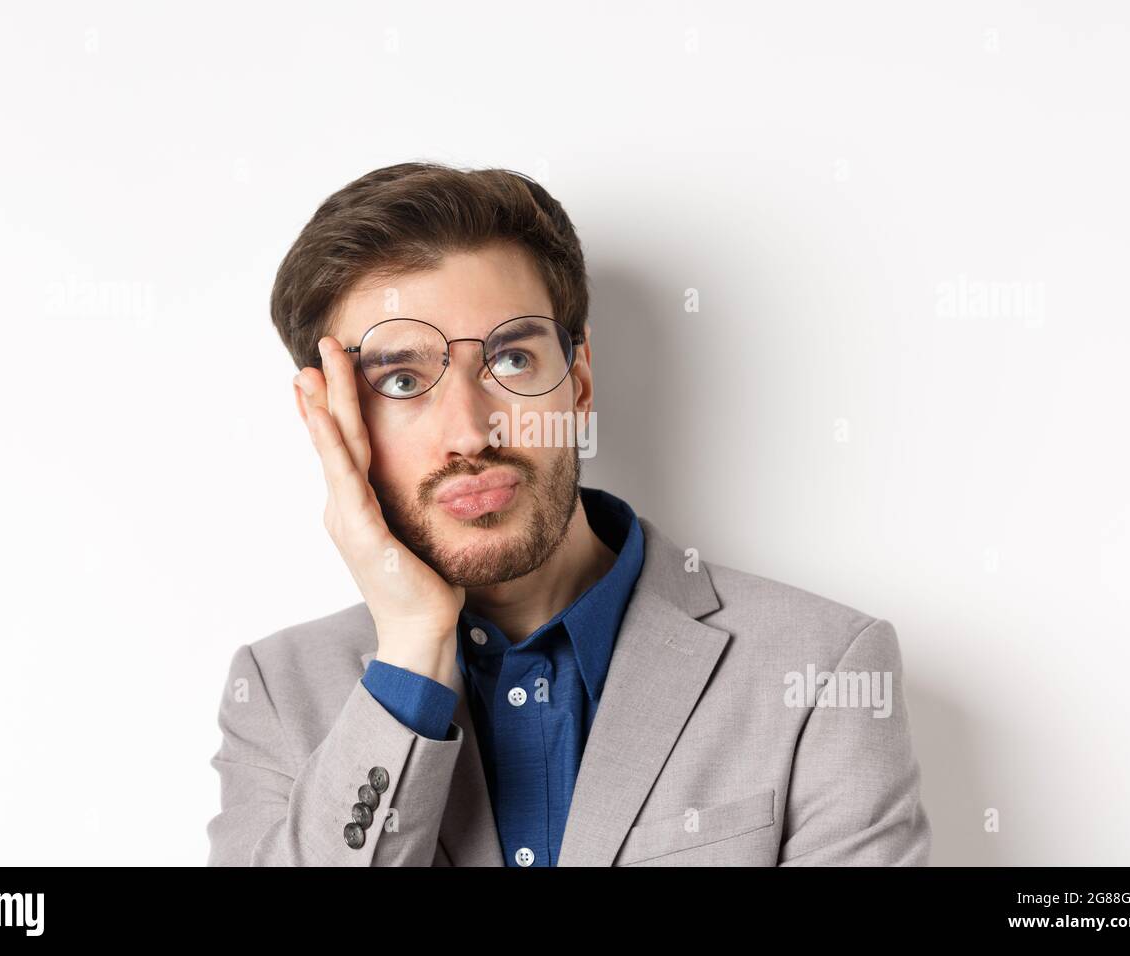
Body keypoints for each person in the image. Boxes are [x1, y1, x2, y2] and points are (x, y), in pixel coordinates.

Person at [205, 161, 931, 866]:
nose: (468, 433)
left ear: (577, 387)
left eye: (511, 362)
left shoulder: (821, 669)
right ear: (332, 420)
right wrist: (410, 655)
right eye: (402, 379)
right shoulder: (276, 694)